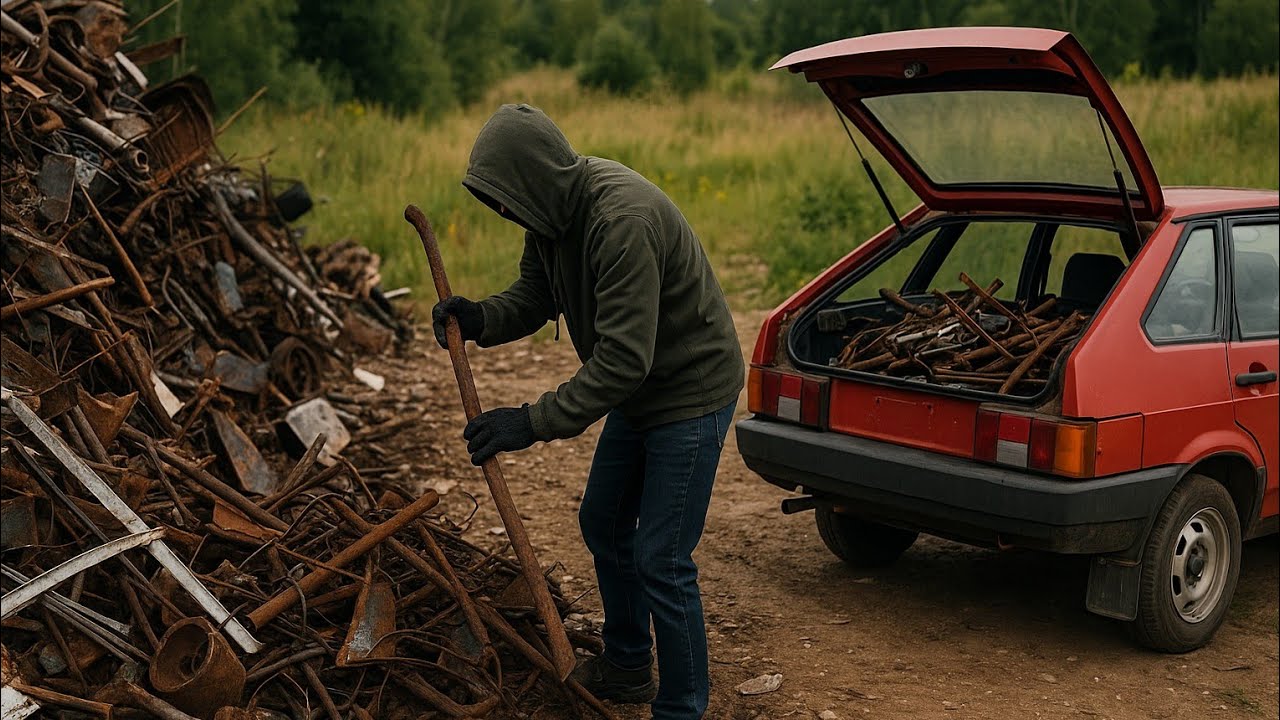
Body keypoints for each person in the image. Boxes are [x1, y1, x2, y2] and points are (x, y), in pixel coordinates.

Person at [432, 104, 744, 719]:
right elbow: (537, 294)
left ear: (535, 176)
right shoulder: (551, 213)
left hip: (689, 393)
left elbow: (623, 361)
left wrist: (529, 422)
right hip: (640, 393)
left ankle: (681, 708)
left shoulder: (621, 221)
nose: (504, 214)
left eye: (506, 200)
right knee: (603, 521)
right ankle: (628, 666)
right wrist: (481, 318)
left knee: (662, 557)